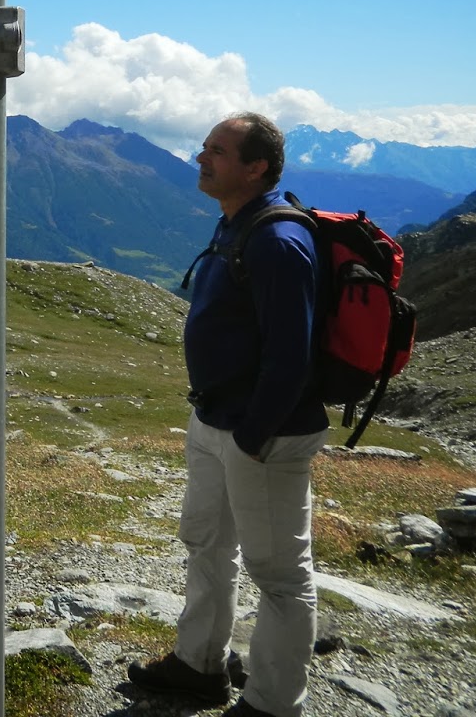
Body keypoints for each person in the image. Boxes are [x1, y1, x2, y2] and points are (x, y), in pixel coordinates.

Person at [127, 112, 328, 717]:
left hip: (262, 434)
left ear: (256, 167)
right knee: (206, 543)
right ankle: (198, 667)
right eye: (204, 146)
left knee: (281, 575)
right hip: (215, 420)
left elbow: (290, 358)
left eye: (217, 150)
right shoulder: (236, 226)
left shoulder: (277, 241)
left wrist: (251, 436)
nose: (200, 158)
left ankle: (273, 704)